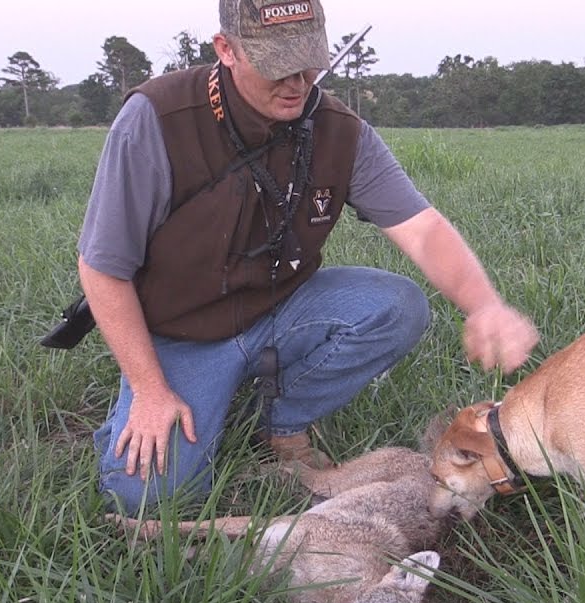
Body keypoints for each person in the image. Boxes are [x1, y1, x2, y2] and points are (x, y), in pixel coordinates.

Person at [77, 0, 539, 516]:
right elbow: (102, 268)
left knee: (397, 306)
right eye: (279, 66)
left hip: (278, 310)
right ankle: (150, 408)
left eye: (310, 61)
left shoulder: (340, 131)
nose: (298, 82)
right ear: (226, 50)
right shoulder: (157, 119)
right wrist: (149, 388)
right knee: (146, 499)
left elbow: (423, 228)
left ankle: (279, 421)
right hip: (183, 336)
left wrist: (485, 305)